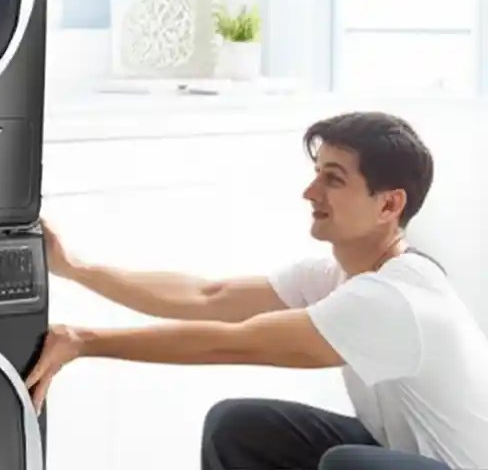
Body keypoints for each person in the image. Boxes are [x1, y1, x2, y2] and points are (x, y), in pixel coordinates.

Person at [25, 111, 488, 470]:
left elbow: (232, 342)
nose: (310, 192)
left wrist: (85, 342)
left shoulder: (393, 300)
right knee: (239, 428)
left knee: (349, 464)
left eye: (333, 178)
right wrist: (74, 267)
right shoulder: (340, 276)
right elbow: (209, 297)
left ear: (389, 203)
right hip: (406, 457)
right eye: (316, 173)